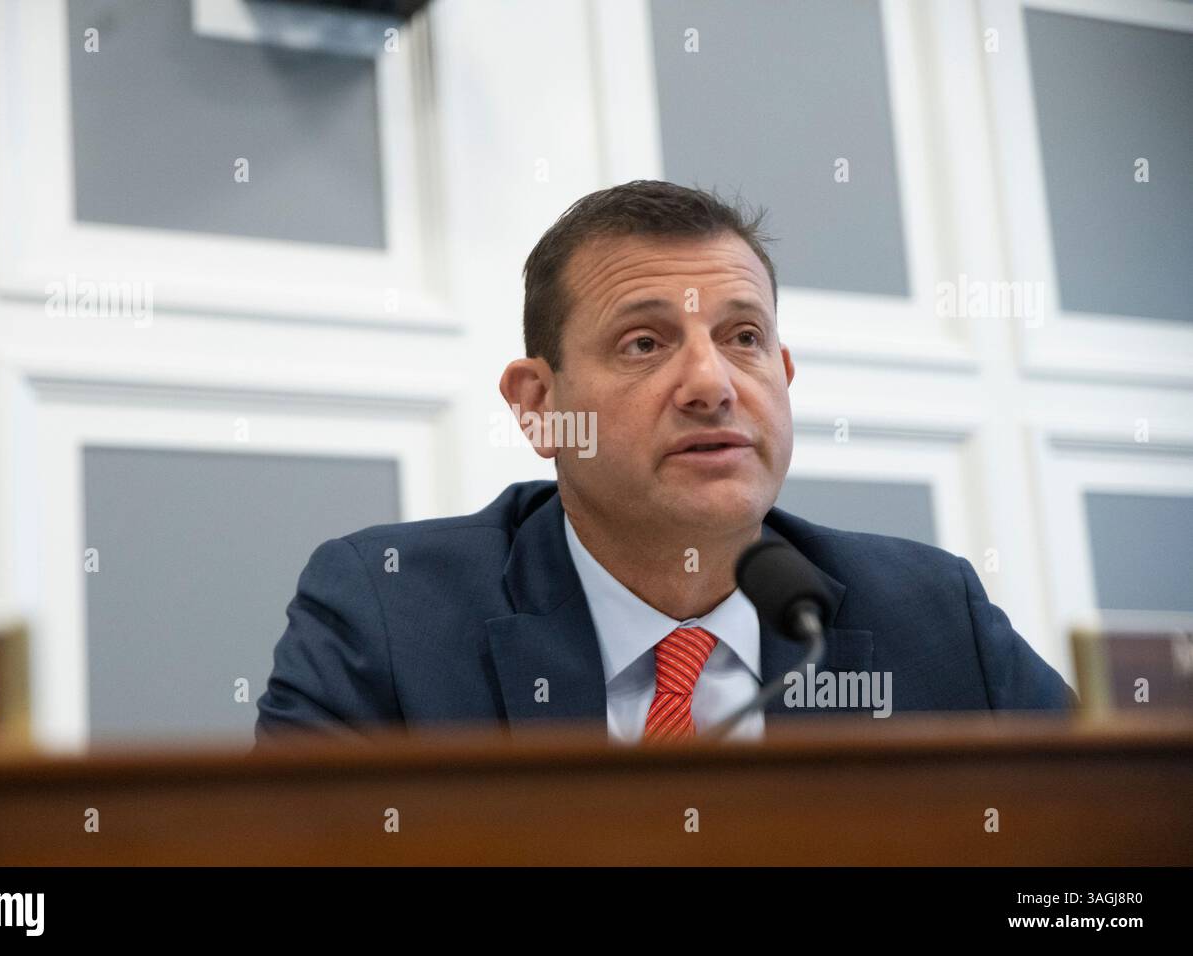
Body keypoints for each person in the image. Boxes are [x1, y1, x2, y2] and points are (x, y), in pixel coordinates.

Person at [255, 180, 1076, 746]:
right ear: (540, 407)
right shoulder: (387, 613)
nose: (711, 385)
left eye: (743, 338)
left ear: (783, 379)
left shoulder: (933, 615)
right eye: (644, 343)